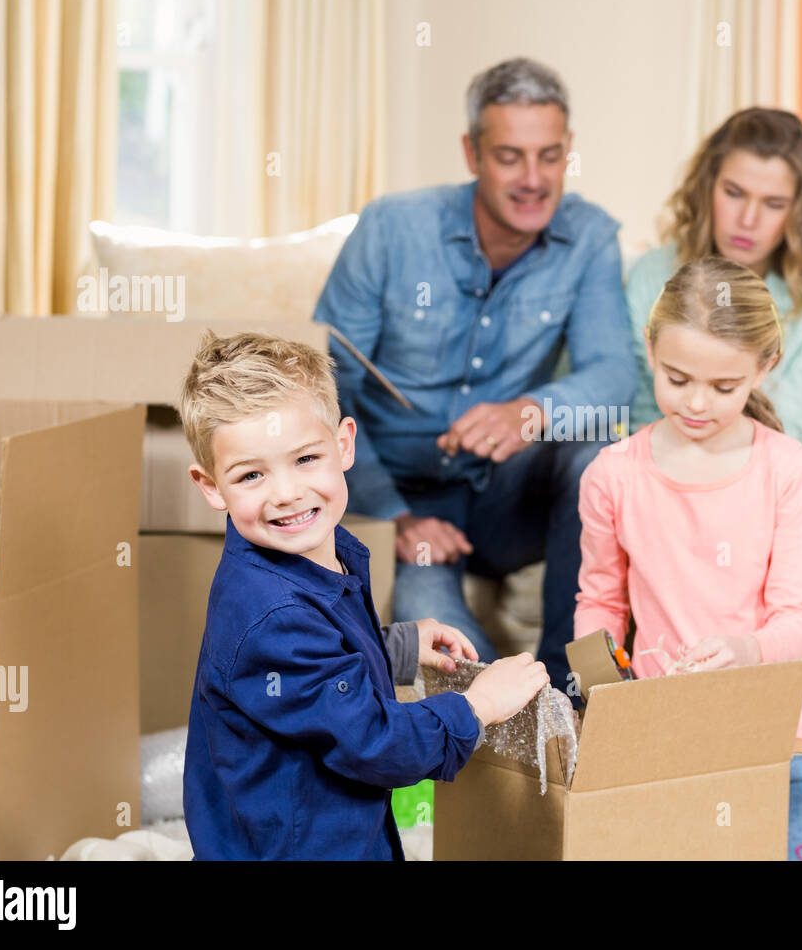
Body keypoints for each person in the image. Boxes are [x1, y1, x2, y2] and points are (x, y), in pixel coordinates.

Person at [314, 57, 636, 693]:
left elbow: (615, 378)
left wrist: (532, 412)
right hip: (403, 501)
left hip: (503, 499)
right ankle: (517, 716)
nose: (534, 179)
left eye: (550, 156)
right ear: (471, 153)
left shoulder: (592, 236)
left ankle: (573, 685)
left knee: (599, 448)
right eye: (510, 156)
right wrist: (394, 515)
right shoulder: (389, 228)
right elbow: (328, 383)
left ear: (569, 151)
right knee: (432, 623)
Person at [179, 330, 549, 860]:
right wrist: (477, 706)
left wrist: (395, 645)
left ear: (344, 444)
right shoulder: (272, 614)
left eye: (305, 459)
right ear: (212, 485)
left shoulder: (314, 556)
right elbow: (376, 743)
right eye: (252, 475)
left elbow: (321, 662)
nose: (286, 493)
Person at [574, 257, 802, 860]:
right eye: (677, 377)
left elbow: (800, 617)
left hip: (776, 738)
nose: (696, 404)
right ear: (650, 348)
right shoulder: (613, 475)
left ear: (765, 368)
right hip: (663, 740)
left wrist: (747, 650)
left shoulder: (785, 467)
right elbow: (600, 600)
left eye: (724, 388)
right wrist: (601, 691)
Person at [626, 107, 802, 498]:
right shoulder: (652, 275)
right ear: (706, 187)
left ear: (798, 210)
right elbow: (645, 405)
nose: (747, 219)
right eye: (734, 193)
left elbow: (786, 420)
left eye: (773, 203)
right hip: (678, 477)